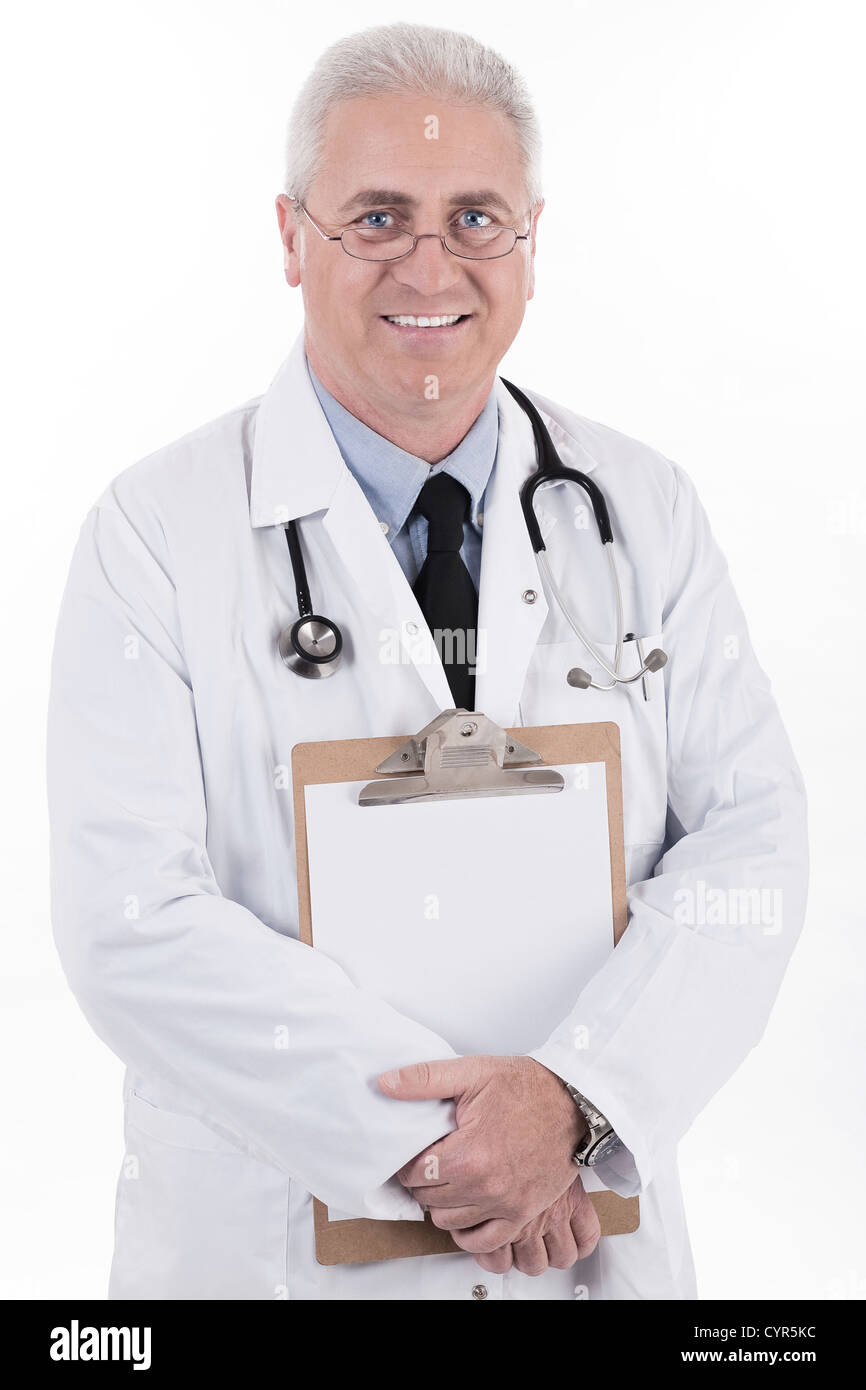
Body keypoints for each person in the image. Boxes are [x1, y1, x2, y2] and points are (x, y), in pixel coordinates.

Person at [46, 21, 808, 1301]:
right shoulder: (155, 533)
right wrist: (451, 1145)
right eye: (377, 216)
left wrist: (574, 1100)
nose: (429, 264)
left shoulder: (641, 505)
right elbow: (129, 920)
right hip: (271, 1257)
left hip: (581, 1242)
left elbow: (751, 839)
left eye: (474, 219)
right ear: (290, 239)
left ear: (529, 243)